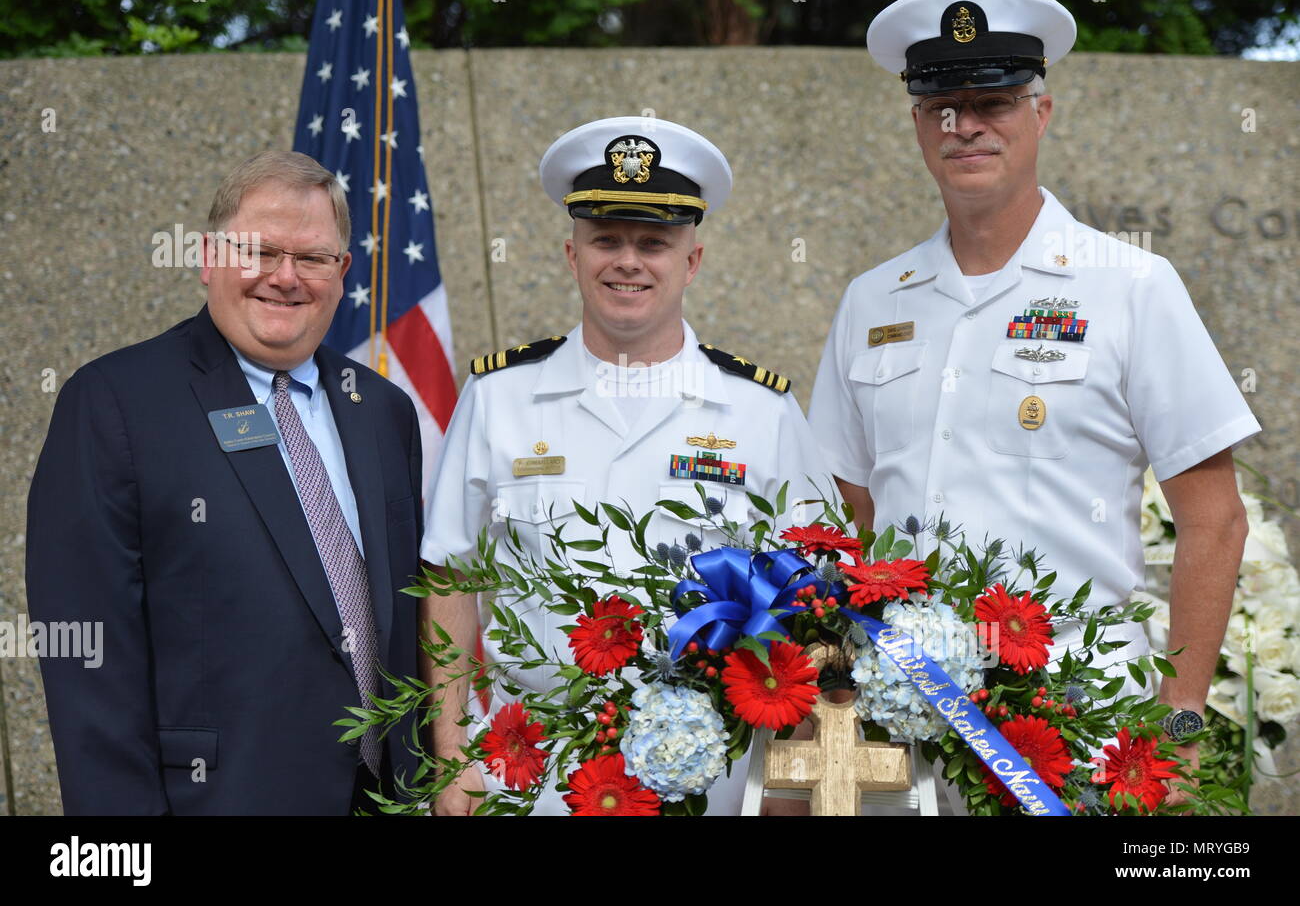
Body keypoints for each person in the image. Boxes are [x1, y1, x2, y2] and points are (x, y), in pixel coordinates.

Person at [808, 0, 1260, 802]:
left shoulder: (1131, 286)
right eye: (943, 106)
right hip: (903, 729)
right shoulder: (871, 301)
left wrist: (1181, 721)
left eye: (995, 102)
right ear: (919, 124)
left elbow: (1215, 518)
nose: (967, 124)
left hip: (1075, 725)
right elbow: (848, 517)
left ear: (1041, 113)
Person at [420, 116, 833, 815]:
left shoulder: (761, 411)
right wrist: (451, 755)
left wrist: (792, 778)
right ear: (571, 253)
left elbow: (815, 598)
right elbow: (450, 576)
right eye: (606, 239)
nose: (628, 262)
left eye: (653, 243)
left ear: (692, 261)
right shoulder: (498, 399)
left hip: (713, 778)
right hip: (531, 771)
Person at [26, 150, 424, 815]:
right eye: (259, 251)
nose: (285, 277)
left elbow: (405, 618)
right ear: (208, 257)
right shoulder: (115, 403)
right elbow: (89, 659)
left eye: (312, 257)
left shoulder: (383, 410)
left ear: (342, 272)